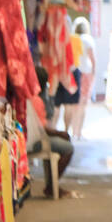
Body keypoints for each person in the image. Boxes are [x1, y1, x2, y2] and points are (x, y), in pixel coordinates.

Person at [30, 66, 78, 199]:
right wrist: (59, 133)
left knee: (62, 141)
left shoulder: (29, 97)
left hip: (29, 138)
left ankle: (52, 185)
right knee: (68, 148)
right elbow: (41, 128)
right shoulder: (37, 100)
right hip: (34, 140)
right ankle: (52, 186)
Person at [66, 17, 96, 140]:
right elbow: (93, 58)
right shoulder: (88, 40)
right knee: (83, 104)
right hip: (86, 73)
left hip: (74, 72)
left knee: (74, 104)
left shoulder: (72, 39)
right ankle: (79, 132)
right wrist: (94, 72)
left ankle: (74, 131)